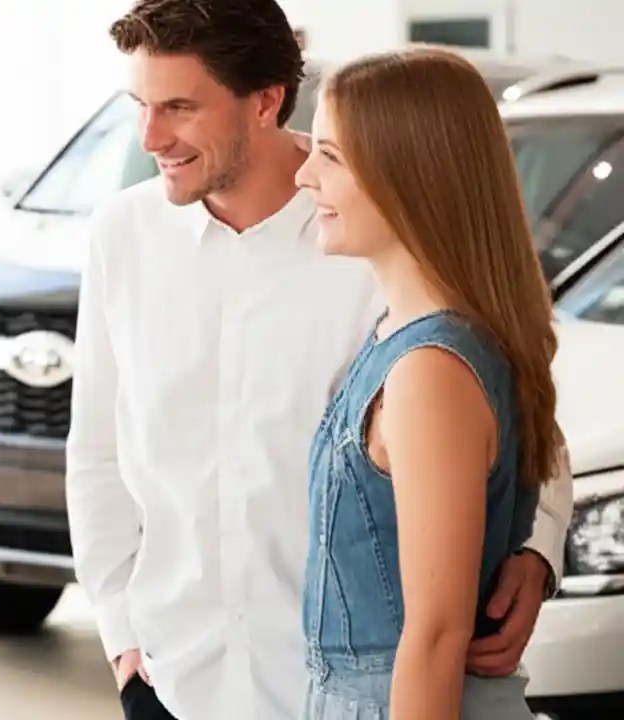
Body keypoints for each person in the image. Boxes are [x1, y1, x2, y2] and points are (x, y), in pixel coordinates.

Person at [63, 1, 573, 718]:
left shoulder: (372, 225)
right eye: (139, 105)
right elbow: (96, 452)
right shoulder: (123, 236)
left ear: (266, 100)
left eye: (179, 106)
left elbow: (511, 393)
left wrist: (536, 548)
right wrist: (120, 632)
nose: (150, 136)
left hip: (344, 684)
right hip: (173, 678)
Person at [293, 48, 559, 719]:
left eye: (330, 156)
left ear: (406, 175)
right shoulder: (408, 339)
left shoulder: (430, 373)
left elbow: (436, 638)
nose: (303, 175)